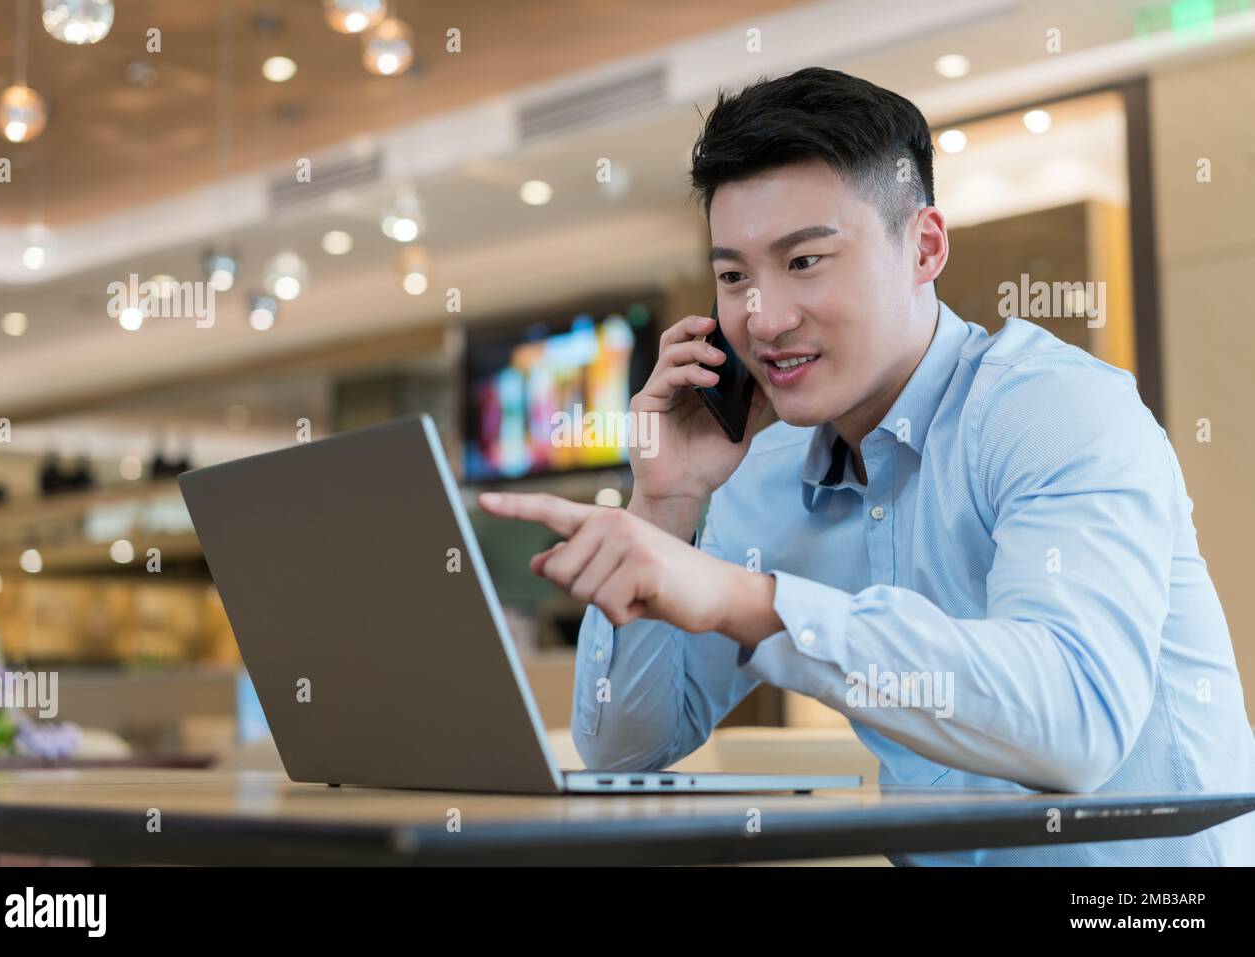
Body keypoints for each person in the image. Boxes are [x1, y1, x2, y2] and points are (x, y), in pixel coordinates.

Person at [478, 66, 1255, 865]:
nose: (763, 318)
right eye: (733, 276)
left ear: (923, 247)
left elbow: (1076, 723)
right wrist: (665, 502)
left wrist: (756, 602)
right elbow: (624, 753)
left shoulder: (1055, 408)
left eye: (805, 261)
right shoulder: (766, 468)